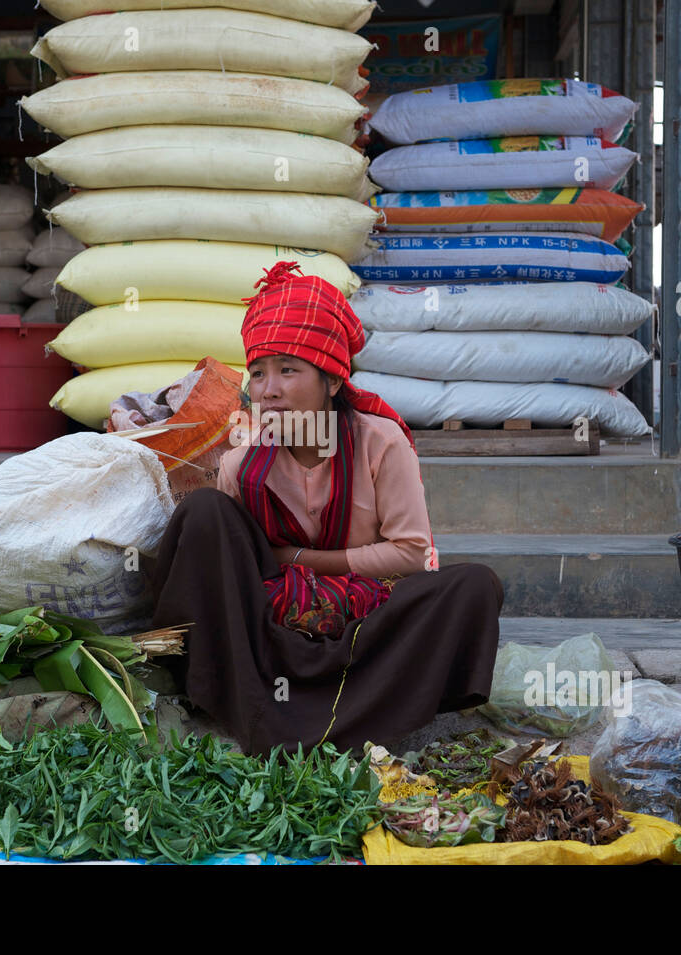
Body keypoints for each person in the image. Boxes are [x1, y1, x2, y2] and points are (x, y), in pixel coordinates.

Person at [150, 262, 504, 755]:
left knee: (473, 587)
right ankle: (254, 701)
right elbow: (234, 575)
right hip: (270, 635)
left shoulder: (381, 443)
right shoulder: (241, 465)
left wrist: (295, 559)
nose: (269, 389)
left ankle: (321, 714)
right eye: (257, 373)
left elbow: (410, 556)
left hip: (365, 629)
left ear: (333, 382)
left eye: (288, 370)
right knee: (203, 514)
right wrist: (273, 569)